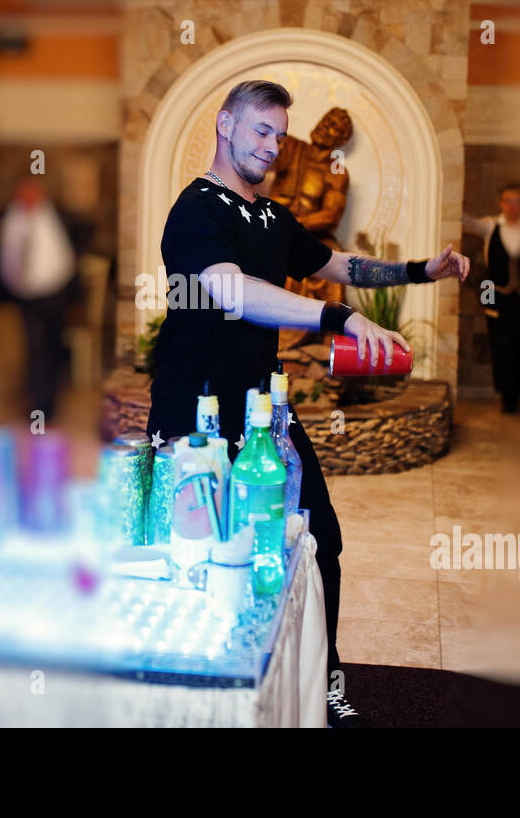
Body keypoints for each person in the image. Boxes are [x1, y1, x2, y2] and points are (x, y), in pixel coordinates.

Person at [145, 80, 469, 727]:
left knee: (321, 538)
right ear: (225, 124)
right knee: (207, 556)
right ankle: (195, 697)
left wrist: (414, 272)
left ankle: (323, 682)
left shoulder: (271, 217)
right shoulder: (196, 210)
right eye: (260, 131)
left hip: (263, 417)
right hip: (194, 420)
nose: (271, 146)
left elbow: (338, 264)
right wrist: (339, 322)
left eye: (278, 134)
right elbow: (233, 293)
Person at [0, 176, 87, 421]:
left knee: (54, 346)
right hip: (24, 296)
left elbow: (80, 239)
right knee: (35, 348)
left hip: (56, 293)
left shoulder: (59, 215)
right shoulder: (5, 217)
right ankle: (41, 406)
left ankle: (52, 399)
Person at [462, 184, 520, 413]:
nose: (512, 206)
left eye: (517, 201)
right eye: (508, 201)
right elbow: (466, 223)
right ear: (501, 203)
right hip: (497, 296)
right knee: (501, 345)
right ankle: (508, 397)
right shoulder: (490, 225)